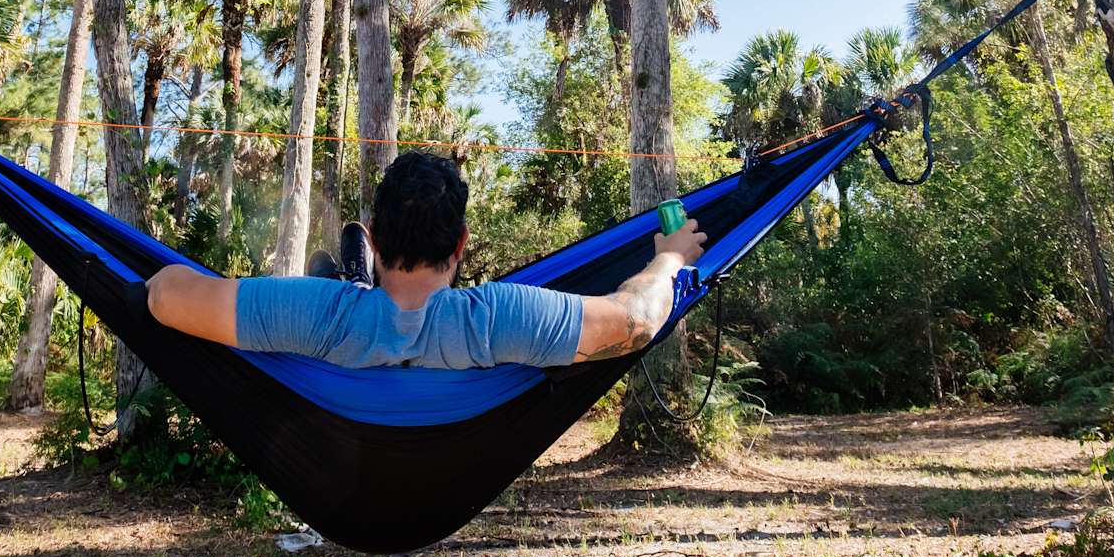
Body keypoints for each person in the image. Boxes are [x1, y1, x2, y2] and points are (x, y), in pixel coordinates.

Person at [143, 151, 707, 369]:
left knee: (344, 297)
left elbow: (165, 294)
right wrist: (671, 261)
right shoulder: (497, 318)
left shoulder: (319, 313)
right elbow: (636, 321)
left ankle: (358, 281)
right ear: (461, 245)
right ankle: (357, 280)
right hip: (443, 483)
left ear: (376, 240)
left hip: (337, 329)